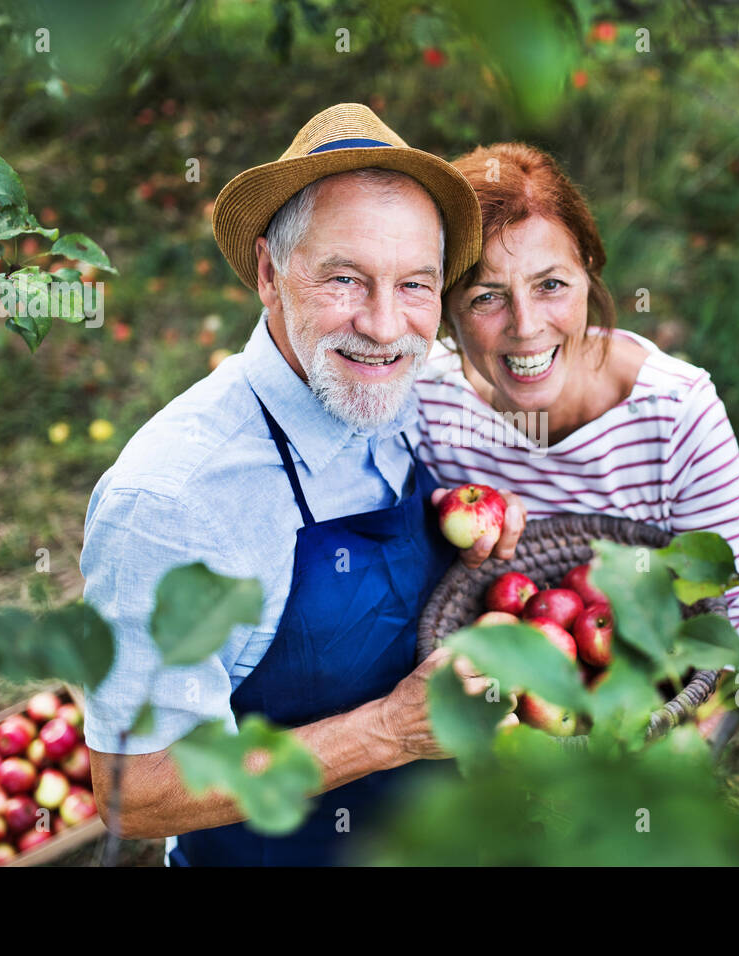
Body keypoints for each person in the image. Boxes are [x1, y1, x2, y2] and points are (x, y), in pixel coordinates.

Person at [78, 104, 525, 866]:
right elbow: (135, 790)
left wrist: (472, 528)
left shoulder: (413, 388)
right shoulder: (171, 502)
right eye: (345, 279)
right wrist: (388, 732)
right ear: (268, 273)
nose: (385, 327)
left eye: (415, 284)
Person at [416, 142, 739, 637]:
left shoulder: (676, 416)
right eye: (486, 297)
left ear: (586, 268)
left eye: (550, 286)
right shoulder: (428, 400)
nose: (525, 327)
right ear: (446, 307)